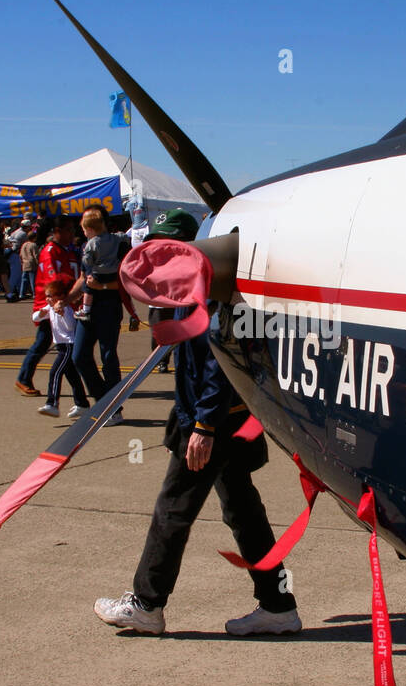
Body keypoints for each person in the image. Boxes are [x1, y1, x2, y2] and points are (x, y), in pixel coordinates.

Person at [94, 209, 302, 636]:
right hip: (221, 416)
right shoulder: (186, 288)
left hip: (213, 422)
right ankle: (278, 604)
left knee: (173, 510)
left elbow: (215, 363)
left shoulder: (205, 291)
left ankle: (147, 604)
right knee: (244, 512)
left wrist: (203, 426)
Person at [69, 206, 129, 418]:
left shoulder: (119, 245)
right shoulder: (90, 245)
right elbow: (84, 277)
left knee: (108, 357)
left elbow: (126, 281)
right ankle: (103, 400)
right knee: (79, 356)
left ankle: (114, 410)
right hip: (90, 305)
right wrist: (67, 299)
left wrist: (101, 287)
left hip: (108, 305)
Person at [15, 215, 84, 397]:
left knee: (58, 344)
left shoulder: (67, 251)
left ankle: (76, 388)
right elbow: (53, 281)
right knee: (45, 342)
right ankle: (24, 378)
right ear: (57, 232)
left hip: (66, 304)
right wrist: (62, 299)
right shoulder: (50, 251)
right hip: (50, 306)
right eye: (68, 230)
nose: (72, 233)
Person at [34, 277, 90, 418]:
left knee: (55, 372)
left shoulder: (66, 309)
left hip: (68, 346)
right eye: (46, 296)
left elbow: (71, 327)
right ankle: (82, 404)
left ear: (60, 296)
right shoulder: (50, 308)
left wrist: (63, 315)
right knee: (72, 376)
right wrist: (40, 314)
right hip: (61, 346)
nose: (47, 299)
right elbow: (35, 318)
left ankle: (52, 404)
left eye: (50, 296)